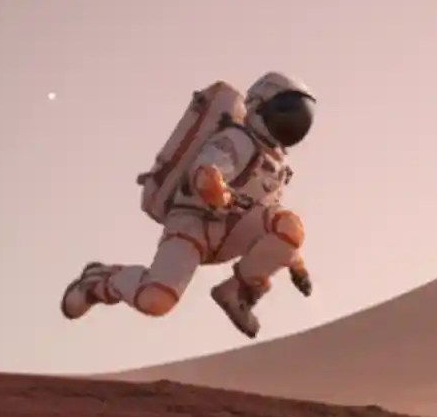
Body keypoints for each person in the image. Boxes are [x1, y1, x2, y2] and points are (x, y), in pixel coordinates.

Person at [59, 71, 316, 338]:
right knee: (156, 300)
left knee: (291, 225)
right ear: (260, 106)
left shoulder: (279, 167)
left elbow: (273, 218)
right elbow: (204, 173)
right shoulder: (237, 140)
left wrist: (296, 264)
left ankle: (236, 293)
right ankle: (101, 281)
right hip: (194, 223)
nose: (294, 122)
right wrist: (219, 191)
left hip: (231, 228)